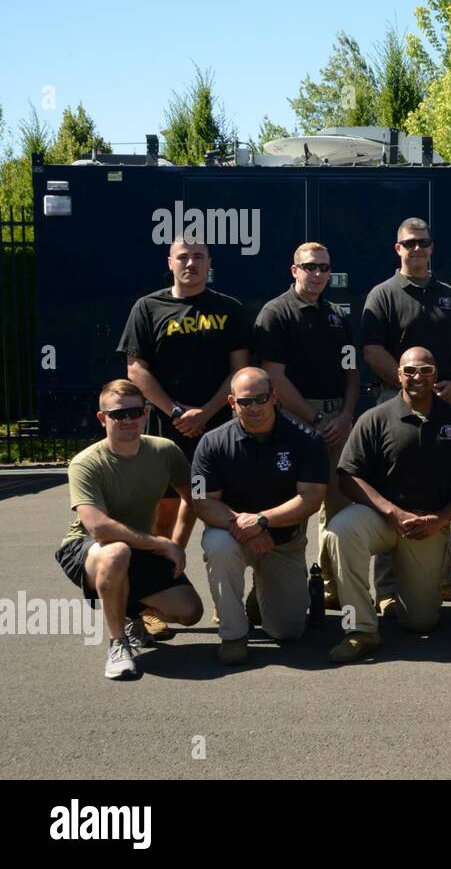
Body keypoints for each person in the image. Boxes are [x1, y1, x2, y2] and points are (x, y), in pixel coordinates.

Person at [118, 238, 252, 637]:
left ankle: (227, 603)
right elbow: (136, 370)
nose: (190, 263)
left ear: (210, 263)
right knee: (160, 516)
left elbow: (240, 370)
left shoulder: (228, 309)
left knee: (220, 515)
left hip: (221, 430)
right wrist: (176, 412)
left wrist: (207, 412)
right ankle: (151, 602)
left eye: (198, 257)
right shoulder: (148, 307)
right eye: (183, 257)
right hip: (166, 429)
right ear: (170, 262)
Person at [321, 348, 451, 663]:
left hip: (427, 524)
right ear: (398, 375)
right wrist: (391, 512)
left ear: (436, 375)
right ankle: (361, 630)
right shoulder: (375, 418)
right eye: (409, 371)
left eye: (424, 370)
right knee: (339, 530)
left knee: (421, 622)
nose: (416, 377)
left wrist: (441, 519)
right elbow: (347, 477)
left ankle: (405, 594)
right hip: (380, 518)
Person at [360, 217, 451, 606]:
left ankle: (444, 577)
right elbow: (373, 351)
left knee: (442, 489)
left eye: (423, 242)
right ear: (398, 248)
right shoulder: (383, 295)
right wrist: (410, 388)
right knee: (388, 488)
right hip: (396, 405)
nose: (416, 249)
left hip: (447, 404)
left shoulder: (449, 295)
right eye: (409, 243)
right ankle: (388, 590)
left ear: (432, 247)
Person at [54, 380, 203, 679]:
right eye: (118, 415)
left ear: (146, 413)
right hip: (87, 549)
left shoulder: (165, 451)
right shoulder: (85, 463)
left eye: (135, 412)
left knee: (189, 612)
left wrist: (177, 545)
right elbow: (98, 528)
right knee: (116, 553)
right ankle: (118, 644)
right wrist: (163, 545)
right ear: (102, 418)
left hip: (141, 547)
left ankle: (131, 611)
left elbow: (194, 498)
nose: (128, 420)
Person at [190, 368, 328, 665]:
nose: (253, 408)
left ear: (274, 397)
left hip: (283, 541)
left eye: (261, 399)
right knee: (217, 546)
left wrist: (263, 520)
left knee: (288, 631)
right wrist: (245, 526)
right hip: (232, 534)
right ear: (231, 402)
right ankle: (234, 635)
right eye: (244, 401)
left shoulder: (306, 439)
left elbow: (312, 498)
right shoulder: (211, 443)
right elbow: (202, 502)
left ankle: (261, 596)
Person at [253, 241, 358, 610]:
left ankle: (333, 585)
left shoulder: (337, 315)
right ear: (294, 270)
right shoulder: (275, 313)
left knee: (340, 508)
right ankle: (272, 589)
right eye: (310, 267)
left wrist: (345, 416)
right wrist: (314, 419)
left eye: (324, 268)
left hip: (337, 420)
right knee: (290, 506)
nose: (317, 274)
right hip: (295, 421)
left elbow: (351, 372)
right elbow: (274, 377)